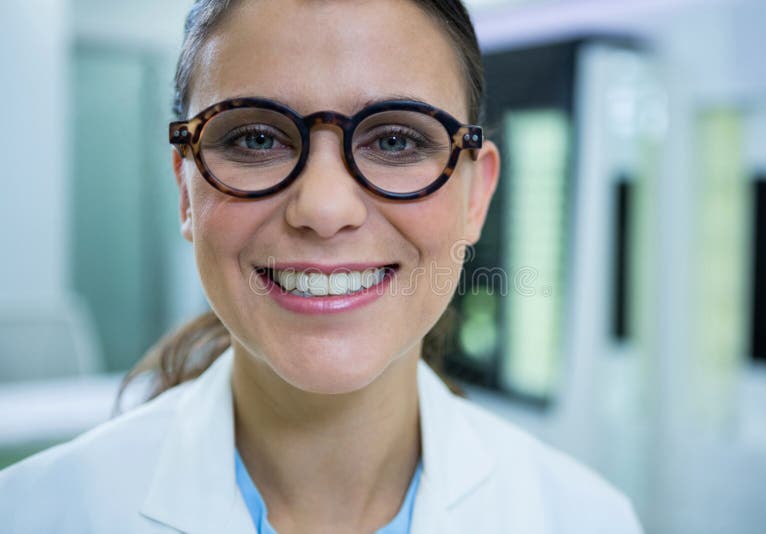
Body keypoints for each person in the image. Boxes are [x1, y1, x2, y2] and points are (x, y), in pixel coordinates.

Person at [0, 1, 643, 532]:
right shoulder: (33, 514)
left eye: (395, 139)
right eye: (256, 138)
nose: (325, 206)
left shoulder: (587, 519)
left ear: (476, 196)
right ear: (185, 190)